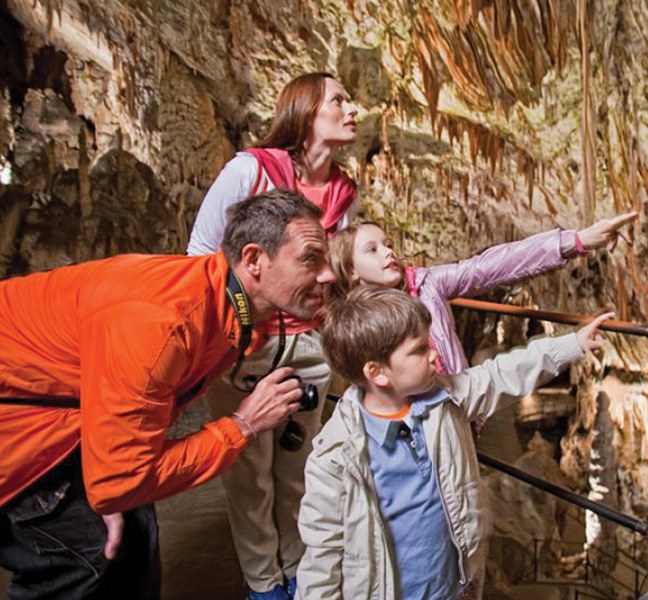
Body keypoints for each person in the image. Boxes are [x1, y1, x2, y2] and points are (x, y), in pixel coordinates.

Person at [0, 189, 333, 600]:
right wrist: (242, 425)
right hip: (19, 434)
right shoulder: (162, 322)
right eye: (310, 258)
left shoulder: (226, 309)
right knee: (84, 559)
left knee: (134, 543)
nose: (328, 274)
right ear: (253, 260)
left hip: (74, 419)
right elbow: (120, 481)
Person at [296, 285, 614, 599]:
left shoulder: (447, 399)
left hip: (455, 587)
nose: (435, 353)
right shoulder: (336, 459)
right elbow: (322, 558)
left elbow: (502, 374)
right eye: (419, 349)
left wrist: (574, 342)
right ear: (377, 372)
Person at [187, 72, 359, 600]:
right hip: (246, 346)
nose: (353, 110)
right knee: (250, 477)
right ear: (307, 112)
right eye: (340, 100)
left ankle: (299, 575)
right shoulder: (251, 171)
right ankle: (265, 585)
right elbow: (201, 253)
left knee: (298, 472)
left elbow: (337, 269)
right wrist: (236, 328)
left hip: (309, 346)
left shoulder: (343, 190)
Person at [328, 212, 638, 374]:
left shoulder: (426, 284)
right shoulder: (354, 325)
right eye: (372, 249)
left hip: (458, 403)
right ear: (351, 270)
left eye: (388, 244)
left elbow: (491, 267)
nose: (387, 252)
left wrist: (577, 240)